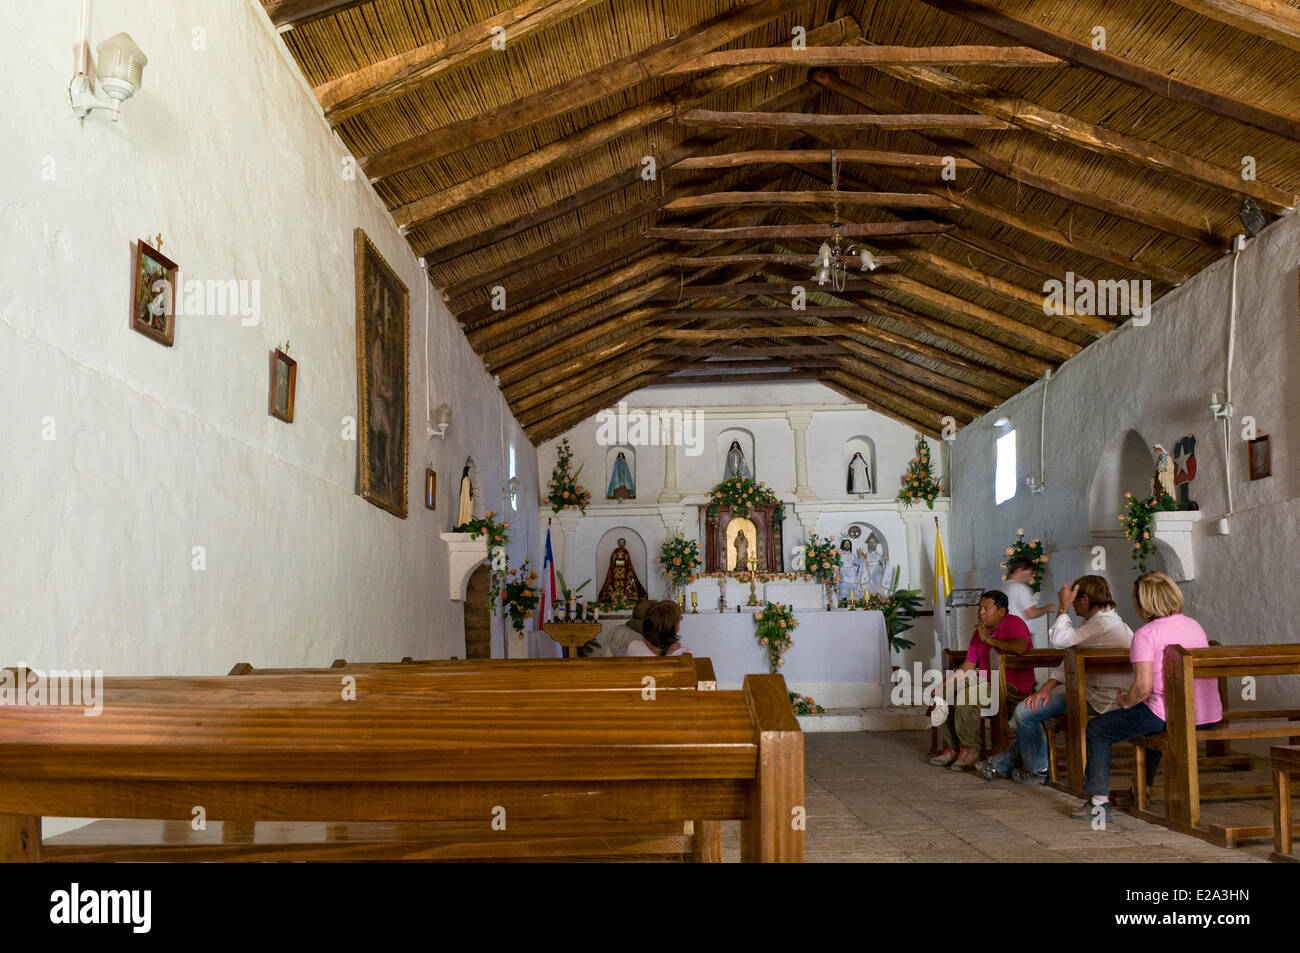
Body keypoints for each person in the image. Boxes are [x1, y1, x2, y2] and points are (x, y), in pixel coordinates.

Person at [1073, 572, 1222, 822]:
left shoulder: (1146, 634)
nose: (1133, 603)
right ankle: (1141, 791)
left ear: (1145, 603)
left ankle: (1099, 803)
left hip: (1169, 713)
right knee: (1149, 727)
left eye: (1134, 598)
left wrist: (1123, 702)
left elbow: (1142, 689)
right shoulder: (1194, 625)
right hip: (1205, 714)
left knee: (1099, 729)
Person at [976, 575, 1133, 784]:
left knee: (1025, 711)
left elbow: (1061, 641)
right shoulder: (1101, 621)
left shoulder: (1102, 625)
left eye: (1075, 600)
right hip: (1094, 693)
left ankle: (1034, 772)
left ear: (1085, 599)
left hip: (1103, 699)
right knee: (1038, 711)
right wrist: (1047, 687)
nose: (1074, 606)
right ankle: (1001, 765)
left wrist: (1063, 607)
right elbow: (1073, 655)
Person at [929, 590, 1033, 771]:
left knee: (966, 697)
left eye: (987, 608)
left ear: (1001, 611)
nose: (981, 612)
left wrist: (989, 640)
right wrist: (942, 685)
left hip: (1011, 684)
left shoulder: (1013, 622)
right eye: (980, 608)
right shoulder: (980, 631)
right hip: (984, 680)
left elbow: (1020, 647)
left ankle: (971, 749)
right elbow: (969, 664)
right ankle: (953, 748)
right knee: (942, 696)